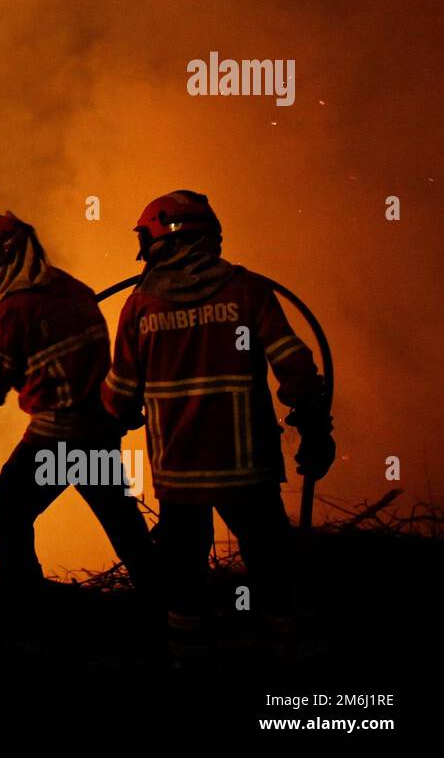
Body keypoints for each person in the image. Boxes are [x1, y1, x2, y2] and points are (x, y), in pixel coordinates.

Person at [100, 190, 334, 660]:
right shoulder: (246, 291)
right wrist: (314, 428)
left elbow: (120, 397)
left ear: (160, 238)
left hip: (179, 473)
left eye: (144, 240)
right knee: (271, 562)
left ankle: (192, 660)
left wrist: (101, 417)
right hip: (247, 468)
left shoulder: (141, 307)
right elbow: (294, 364)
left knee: (183, 576)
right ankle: (290, 656)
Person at [0, 212, 155, 603]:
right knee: (123, 523)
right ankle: (167, 601)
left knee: (6, 508)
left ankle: (25, 609)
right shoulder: (73, 288)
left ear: (3, 261)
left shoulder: (15, 307)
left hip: (57, 438)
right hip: (99, 429)